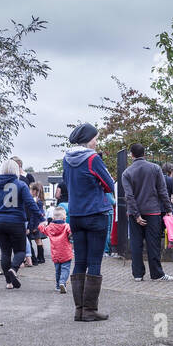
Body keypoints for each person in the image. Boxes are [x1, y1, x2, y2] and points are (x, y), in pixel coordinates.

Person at [62, 123, 117, 321]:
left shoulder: (67, 159)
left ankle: (79, 310)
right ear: (88, 140)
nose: (96, 141)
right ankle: (90, 310)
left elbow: (66, 182)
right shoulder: (93, 158)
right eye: (95, 138)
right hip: (95, 214)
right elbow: (109, 185)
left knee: (80, 262)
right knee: (94, 261)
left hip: (76, 215)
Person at [0, 160, 45, 289]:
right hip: (16, 222)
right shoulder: (21, 185)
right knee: (20, 251)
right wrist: (40, 217)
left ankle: (9, 282)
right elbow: (30, 204)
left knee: (5, 252)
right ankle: (13, 269)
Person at [122, 142, 173, 281]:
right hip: (153, 211)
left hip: (134, 213)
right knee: (153, 244)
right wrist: (169, 209)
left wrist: (136, 214)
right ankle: (157, 274)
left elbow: (129, 196)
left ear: (131, 155)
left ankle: (138, 274)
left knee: (136, 243)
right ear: (144, 154)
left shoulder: (126, 172)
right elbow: (162, 191)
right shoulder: (155, 168)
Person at [42, 206, 74, 293]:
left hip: (55, 253)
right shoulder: (66, 226)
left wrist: (42, 225)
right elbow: (71, 232)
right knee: (65, 269)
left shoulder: (50, 227)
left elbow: (43, 230)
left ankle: (57, 286)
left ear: (53, 218)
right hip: (66, 253)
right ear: (64, 218)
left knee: (58, 270)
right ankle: (62, 282)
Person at [28, 181, 48, 265]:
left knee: (38, 240)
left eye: (30, 190)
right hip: (38, 223)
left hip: (36, 224)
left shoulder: (36, 202)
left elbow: (36, 214)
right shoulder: (40, 201)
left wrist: (35, 226)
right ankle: (40, 257)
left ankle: (41, 257)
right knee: (38, 240)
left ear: (34, 191)